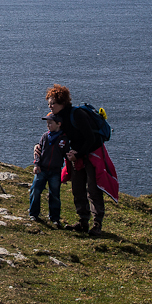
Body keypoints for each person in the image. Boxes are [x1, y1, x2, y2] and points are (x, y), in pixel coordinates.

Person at [40, 84, 111, 237]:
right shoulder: (60, 118)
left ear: (62, 103)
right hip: (77, 156)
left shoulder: (77, 114)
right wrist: (38, 148)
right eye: (49, 104)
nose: (50, 106)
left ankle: (97, 225)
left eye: (53, 103)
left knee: (93, 190)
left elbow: (90, 139)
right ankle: (83, 222)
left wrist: (77, 154)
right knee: (78, 189)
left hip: (91, 154)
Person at [29, 112, 70, 227]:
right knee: (35, 191)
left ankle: (55, 218)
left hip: (55, 171)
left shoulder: (64, 139)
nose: (48, 125)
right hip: (42, 169)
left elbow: (66, 155)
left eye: (50, 123)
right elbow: (38, 152)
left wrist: (68, 171)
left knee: (55, 195)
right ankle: (33, 214)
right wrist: (36, 164)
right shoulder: (45, 136)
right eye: (47, 123)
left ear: (58, 124)